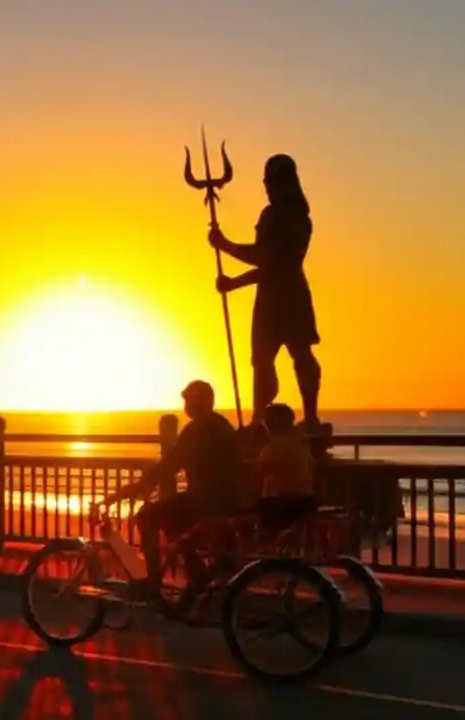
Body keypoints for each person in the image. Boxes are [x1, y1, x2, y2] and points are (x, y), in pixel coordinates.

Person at [209, 153, 322, 435]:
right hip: (275, 296)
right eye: (266, 182)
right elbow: (268, 265)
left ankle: (307, 417)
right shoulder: (281, 216)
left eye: (272, 182)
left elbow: (268, 260)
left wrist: (225, 245)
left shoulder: (292, 218)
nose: (268, 188)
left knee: (299, 356)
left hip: (287, 296)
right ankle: (259, 419)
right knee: (263, 361)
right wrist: (233, 281)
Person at [96, 380, 248, 580]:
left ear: (202, 402)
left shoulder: (198, 431)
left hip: (206, 500)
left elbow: (170, 464)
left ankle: (153, 578)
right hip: (229, 498)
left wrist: (137, 487)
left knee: (147, 516)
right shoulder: (223, 425)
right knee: (173, 523)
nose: (187, 407)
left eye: (190, 401)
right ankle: (195, 571)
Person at [254, 403, 319, 533]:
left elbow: (260, 467)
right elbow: (312, 465)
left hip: (281, 503)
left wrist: (259, 446)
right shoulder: (301, 442)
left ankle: (266, 544)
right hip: (306, 501)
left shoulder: (275, 445)